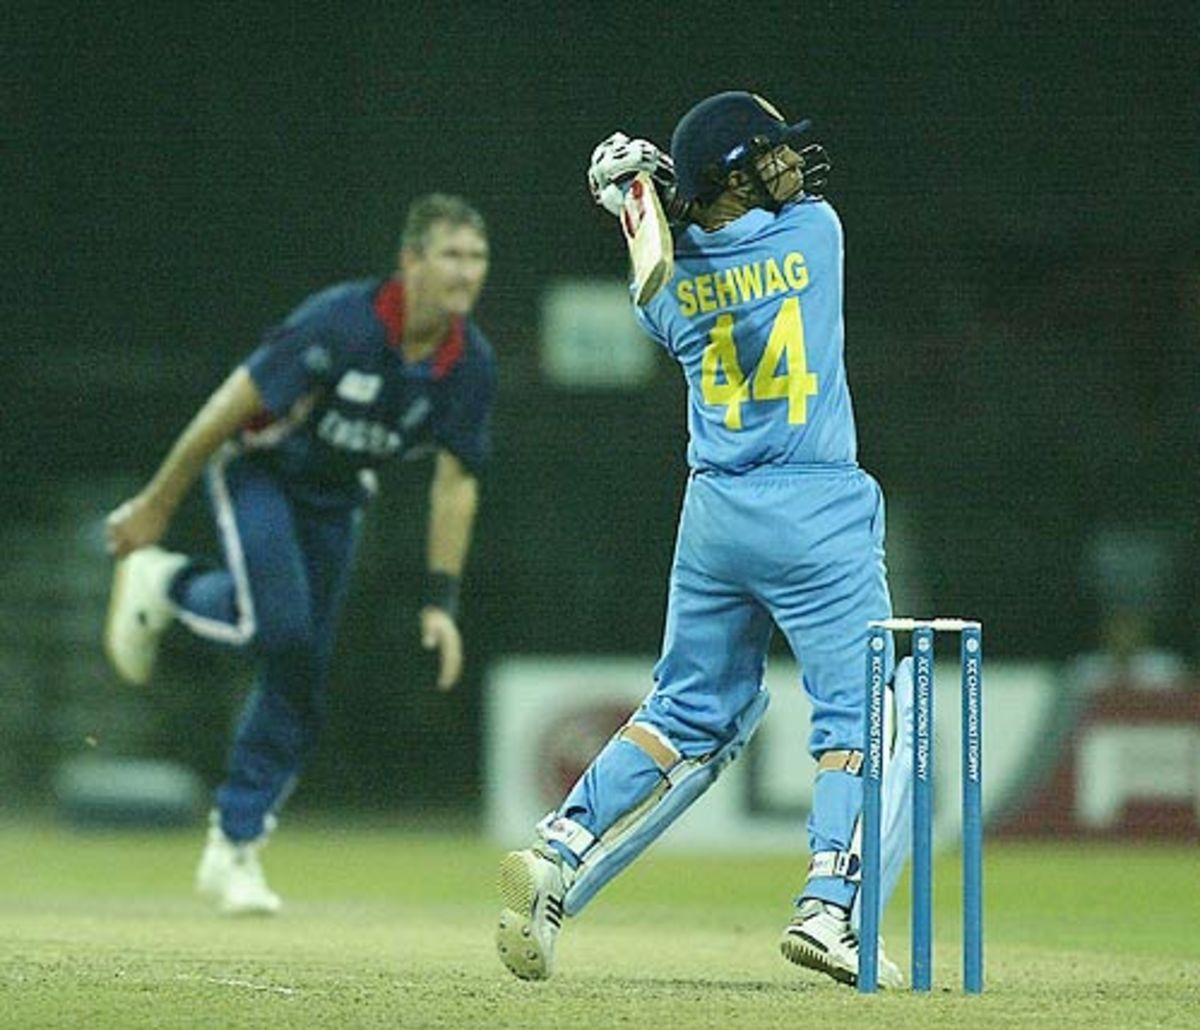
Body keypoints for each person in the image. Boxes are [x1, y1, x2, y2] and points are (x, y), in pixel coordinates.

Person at [496, 92, 913, 988]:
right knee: (859, 719)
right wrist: (652, 187)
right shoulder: (816, 238)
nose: (792, 168)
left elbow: (662, 260)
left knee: (683, 711)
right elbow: (746, 212)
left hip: (717, 513)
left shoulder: (666, 295)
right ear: (736, 175)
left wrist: (632, 201)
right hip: (817, 510)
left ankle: (562, 844)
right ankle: (828, 907)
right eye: (771, 155)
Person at [104, 193, 496, 915]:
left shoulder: (469, 364)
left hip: (337, 502)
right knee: (277, 632)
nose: (466, 273)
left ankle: (234, 847)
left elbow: (454, 488)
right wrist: (157, 503)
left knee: (300, 672)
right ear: (410, 262)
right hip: (261, 475)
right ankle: (171, 584)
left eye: (476, 258)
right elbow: (227, 408)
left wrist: (441, 603)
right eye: (451, 255)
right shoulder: (339, 323)